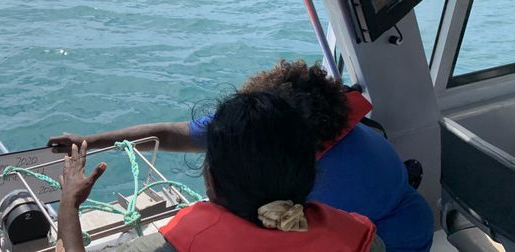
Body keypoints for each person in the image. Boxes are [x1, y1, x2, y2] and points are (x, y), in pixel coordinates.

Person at [48, 60, 433, 251]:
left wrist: (69, 204)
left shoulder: (347, 179)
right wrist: (90, 141)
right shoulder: (275, 137)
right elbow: (169, 133)